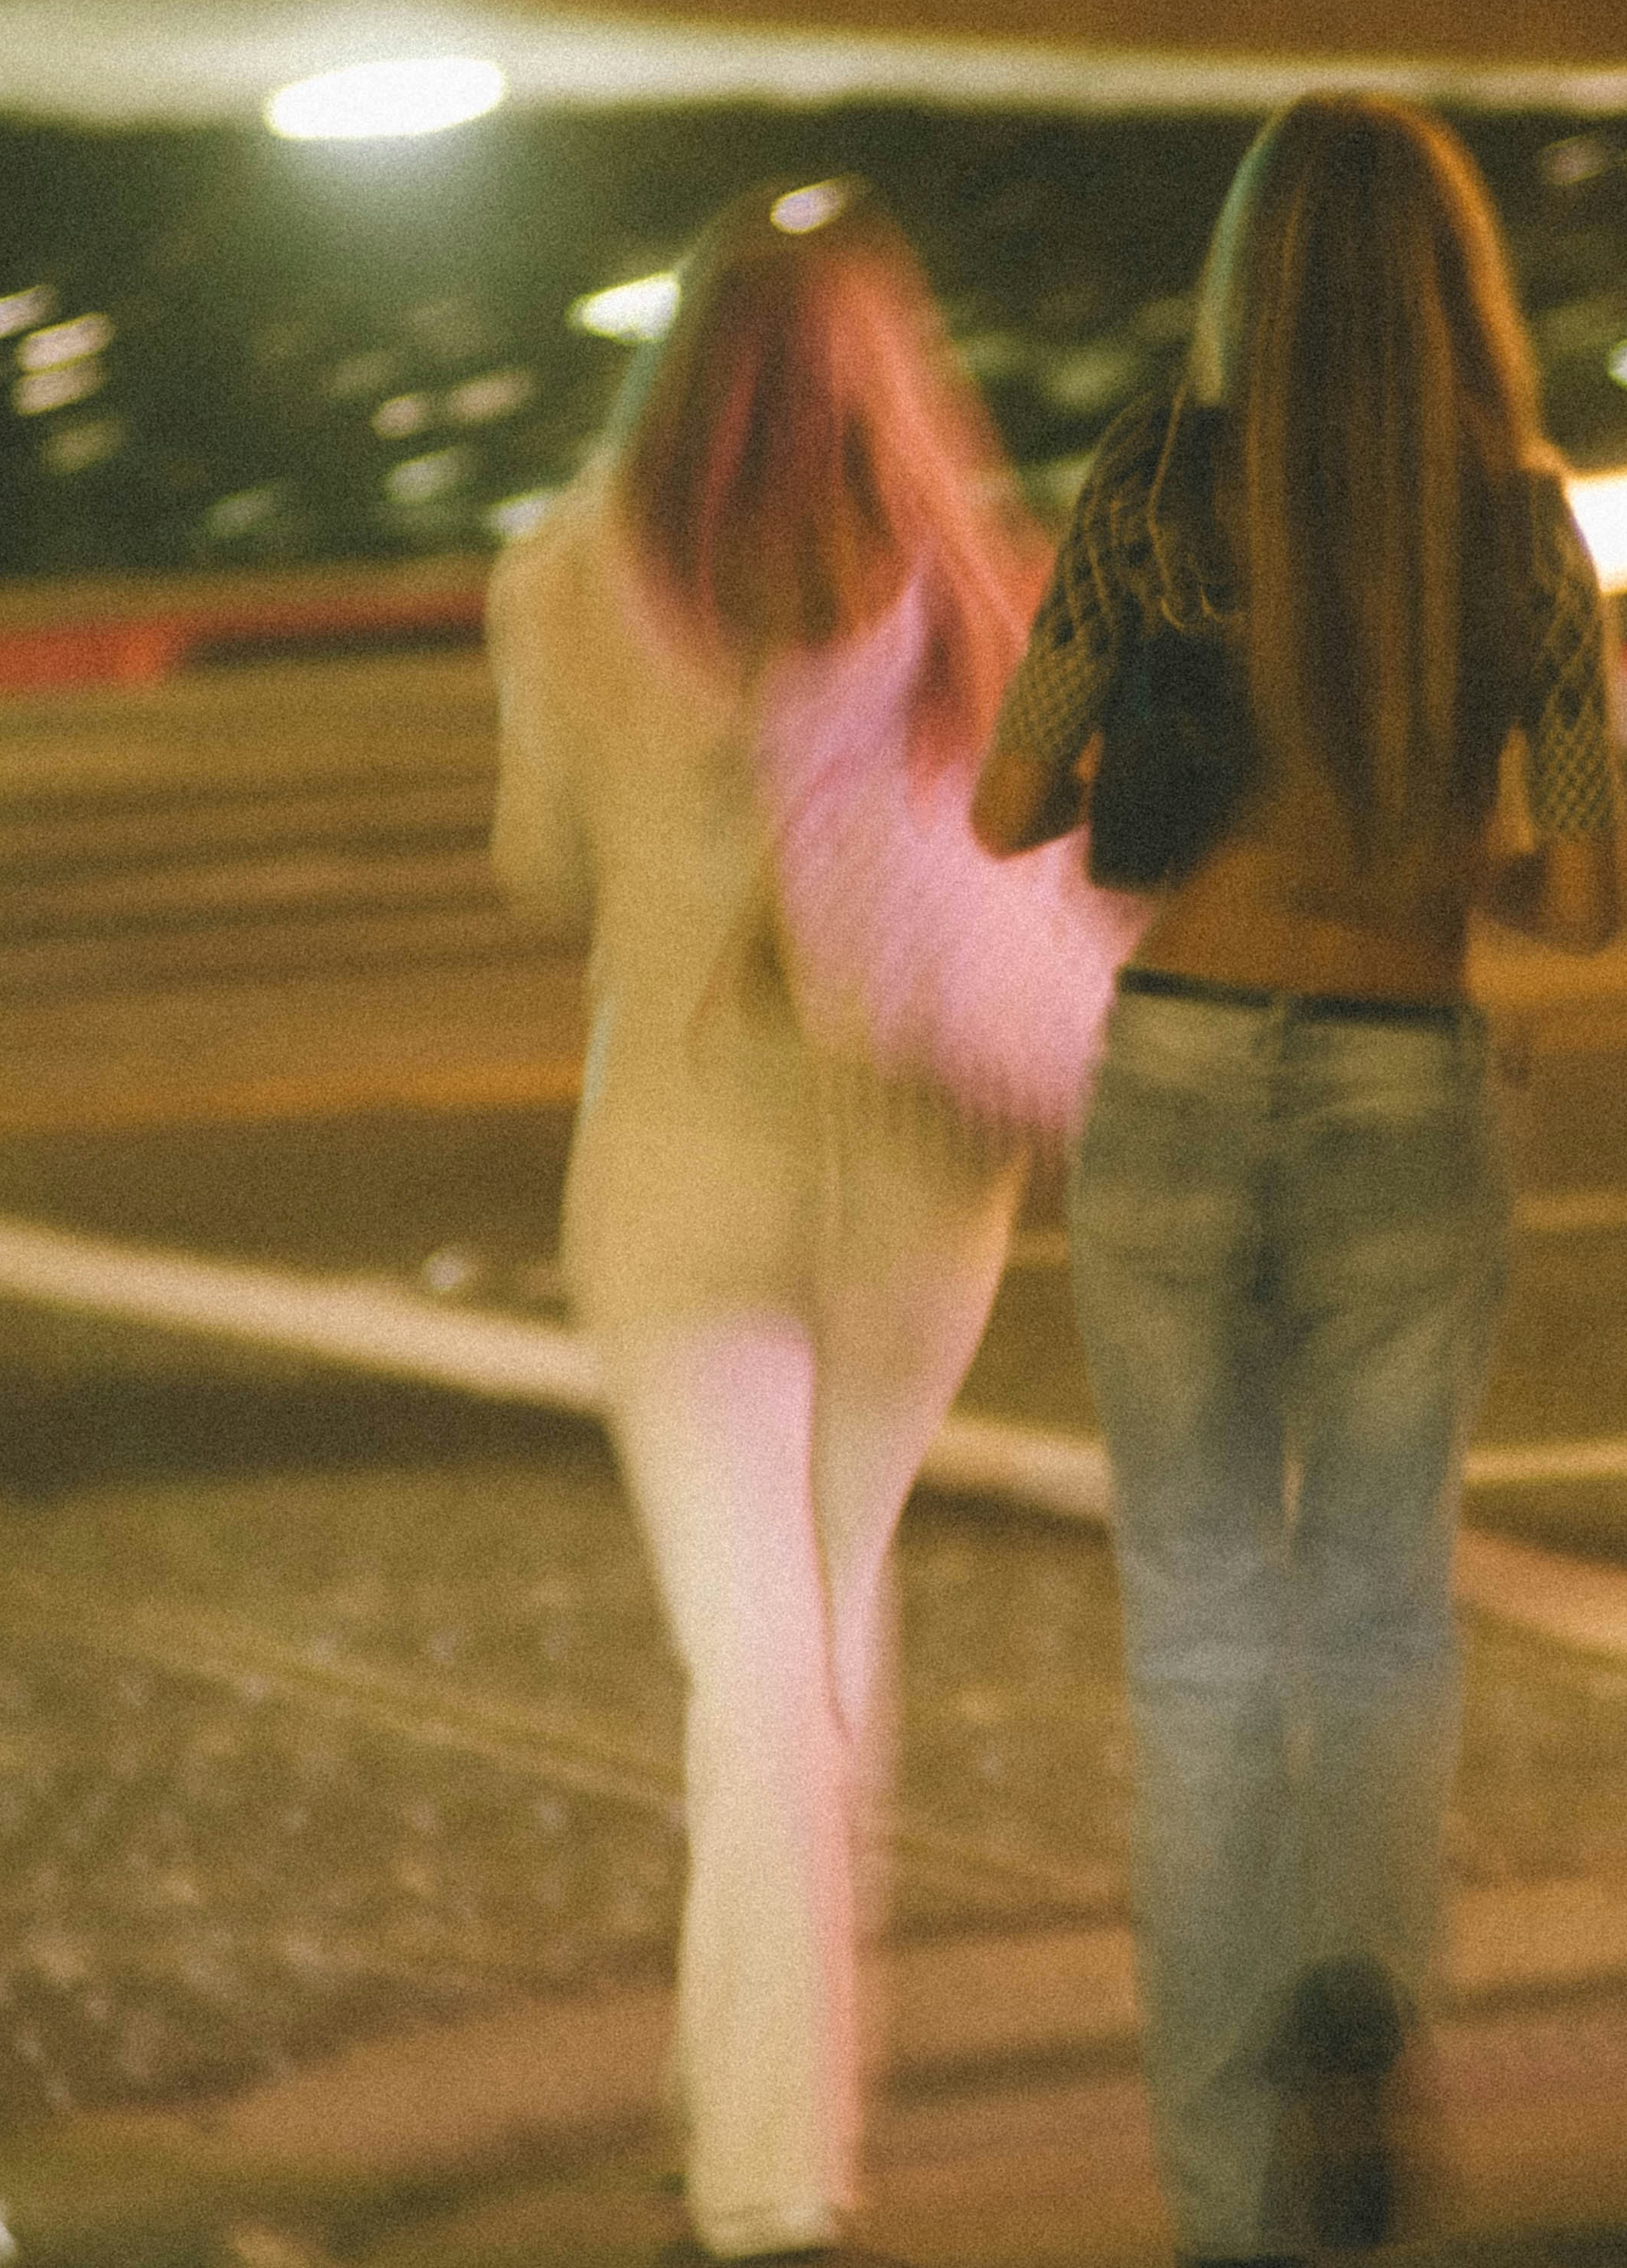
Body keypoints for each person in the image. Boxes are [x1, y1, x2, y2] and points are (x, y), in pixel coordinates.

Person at [973, 92, 1627, 2268]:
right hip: (1402, 1069)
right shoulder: (1518, 527)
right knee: (1375, 1603)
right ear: (1455, 285)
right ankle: (1361, 2001)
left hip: (1175, 1071)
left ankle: (1227, 2216)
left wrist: (1153, 736)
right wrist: (1449, 809)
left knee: (1201, 1641)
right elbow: (1590, 886)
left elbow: (1002, 801)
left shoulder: (1159, 486)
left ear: (1250, 274)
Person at [485, 178, 1052, 2266]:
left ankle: (769, 2179)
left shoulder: (555, 585)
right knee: (822, 1622)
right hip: (919, 1180)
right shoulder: (975, 591)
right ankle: (757, 2097)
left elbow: (541, 866)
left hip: (681, 1172)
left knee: (760, 1660)